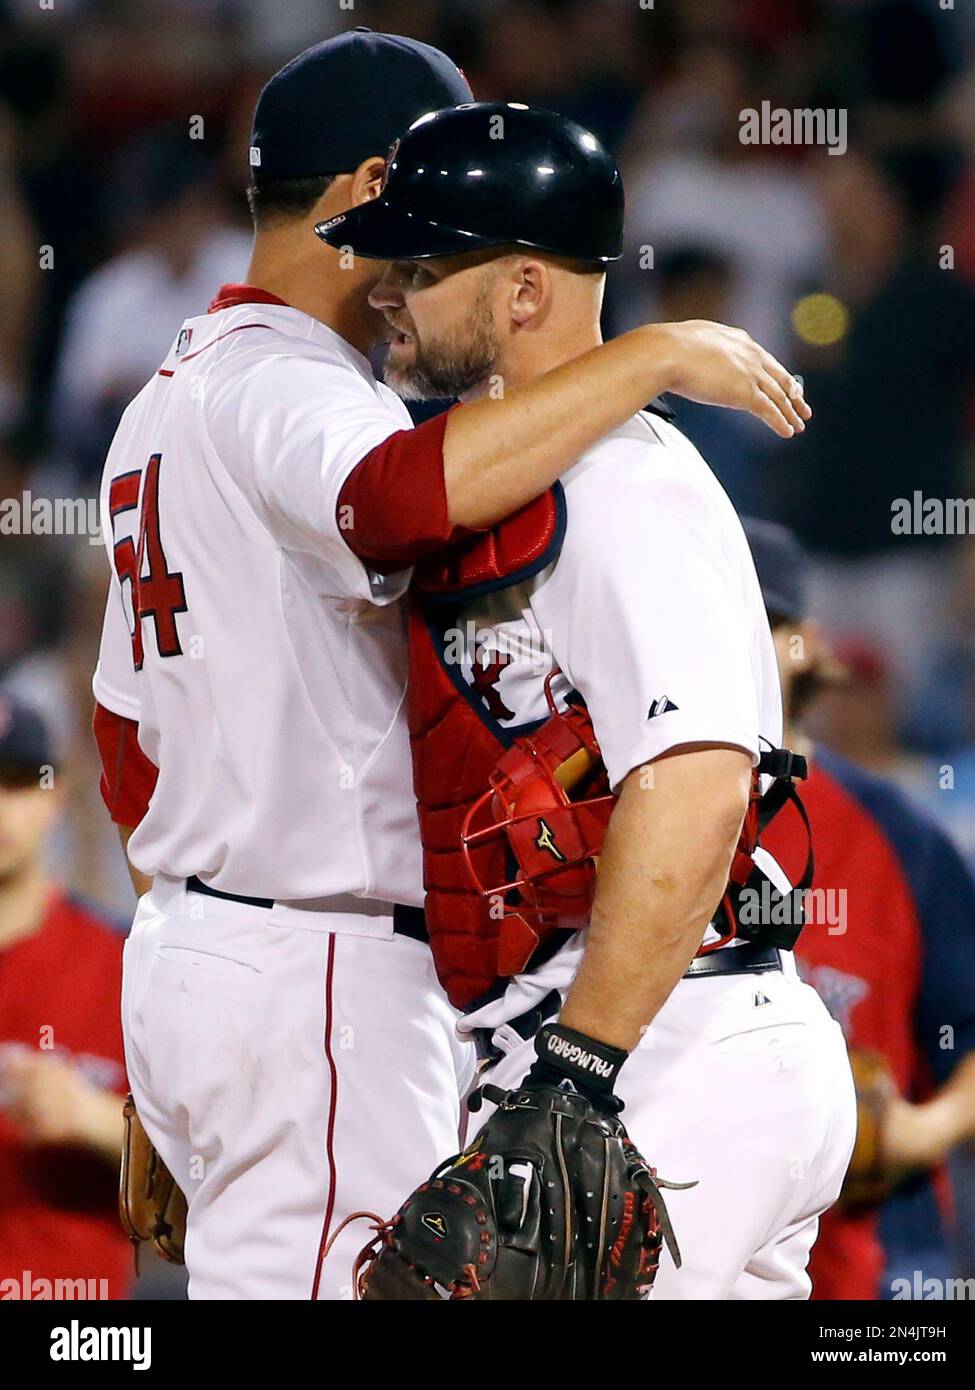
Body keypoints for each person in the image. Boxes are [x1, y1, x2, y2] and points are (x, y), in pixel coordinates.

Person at [91, 34, 809, 1301]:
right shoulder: (290, 383)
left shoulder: (162, 401)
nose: (401, 286)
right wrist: (644, 355)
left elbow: (126, 752)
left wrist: (189, 1008)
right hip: (317, 972)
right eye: (409, 229)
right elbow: (390, 501)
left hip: (227, 959)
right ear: (368, 180)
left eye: (439, 254)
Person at [320, 101, 852, 1300]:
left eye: (423, 264)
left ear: (519, 293)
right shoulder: (510, 473)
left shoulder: (622, 486)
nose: (388, 292)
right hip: (640, 1055)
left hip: (668, 1056)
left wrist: (578, 1071)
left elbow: (700, 783)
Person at [742, 517, 975, 1301]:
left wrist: (922, 1131)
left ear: (803, 646)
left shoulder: (900, 835)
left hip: (879, 1260)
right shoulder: (628, 819)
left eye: (754, 622)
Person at [0, 695, 131, 1301]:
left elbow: (210, 1174)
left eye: (19, 782)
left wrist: (93, 1120)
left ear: (57, 794)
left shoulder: (125, 966)